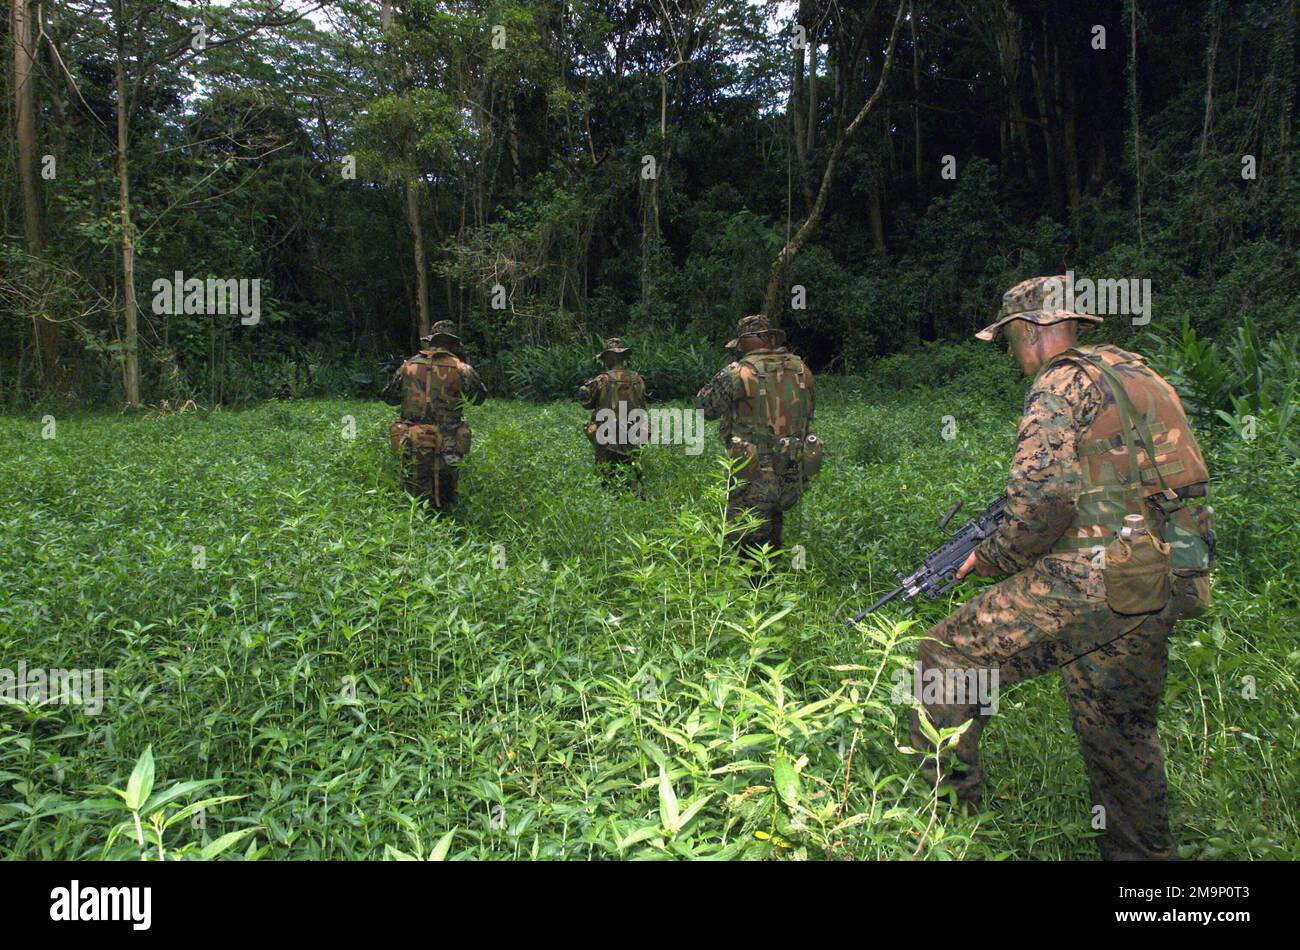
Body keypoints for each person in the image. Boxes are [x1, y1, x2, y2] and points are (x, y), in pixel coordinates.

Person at [909, 275, 1214, 860]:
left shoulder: (1059, 383)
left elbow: (1045, 497)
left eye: (1009, 341)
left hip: (1094, 577)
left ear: (1031, 330)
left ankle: (942, 830)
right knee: (1118, 729)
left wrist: (993, 556)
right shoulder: (1135, 373)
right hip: (1160, 576)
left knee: (945, 658)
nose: (1012, 354)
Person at [695, 314, 823, 557]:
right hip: (790, 465)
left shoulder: (738, 373)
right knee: (774, 520)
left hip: (751, 467)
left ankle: (752, 585)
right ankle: (770, 576)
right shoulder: (801, 370)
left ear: (748, 341)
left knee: (743, 530)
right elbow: (808, 414)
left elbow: (705, 408)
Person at [381, 320, 486, 513]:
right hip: (449, 440)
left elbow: (389, 397)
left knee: (411, 488)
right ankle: (446, 528)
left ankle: (413, 530)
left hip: (411, 438)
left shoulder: (408, 366)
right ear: (453, 343)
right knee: (446, 493)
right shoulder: (463, 369)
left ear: (431, 340)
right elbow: (478, 398)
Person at [577, 337, 647, 491]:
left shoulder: (602, 379)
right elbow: (642, 407)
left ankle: (610, 500)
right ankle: (635, 497)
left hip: (607, 434)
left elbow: (586, 403)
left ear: (610, 357)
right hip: (632, 432)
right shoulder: (638, 379)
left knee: (605, 472)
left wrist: (584, 388)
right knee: (632, 469)